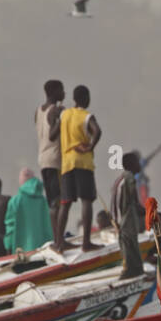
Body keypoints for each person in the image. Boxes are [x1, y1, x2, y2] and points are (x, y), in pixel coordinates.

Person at [54, 84, 102, 252]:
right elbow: (97, 131)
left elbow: (54, 133)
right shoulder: (86, 116)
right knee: (86, 200)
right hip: (83, 162)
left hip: (67, 163)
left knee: (65, 203)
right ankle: (86, 243)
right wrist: (90, 146)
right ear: (86, 98)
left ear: (74, 99)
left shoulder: (64, 114)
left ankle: (59, 243)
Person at [36, 79, 66, 233]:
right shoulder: (55, 110)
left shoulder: (39, 110)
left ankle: (57, 238)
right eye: (62, 90)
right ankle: (59, 240)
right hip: (54, 160)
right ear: (54, 92)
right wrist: (62, 118)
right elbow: (52, 135)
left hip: (43, 159)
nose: (64, 93)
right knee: (59, 201)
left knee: (53, 202)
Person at [4, 168, 53, 254]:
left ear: (21, 182)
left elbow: (10, 228)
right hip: (44, 250)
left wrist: (8, 246)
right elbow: (51, 224)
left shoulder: (15, 201)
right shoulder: (44, 201)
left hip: (22, 252)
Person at [112, 152, 145, 280]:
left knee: (128, 244)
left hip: (120, 220)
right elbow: (134, 202)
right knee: (131, 244)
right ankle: (132, 271)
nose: (140, 164)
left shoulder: (120, 179)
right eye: (137, 162)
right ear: (131, 165)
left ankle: (136, 270)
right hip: (127, 218)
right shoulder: (130, 178)